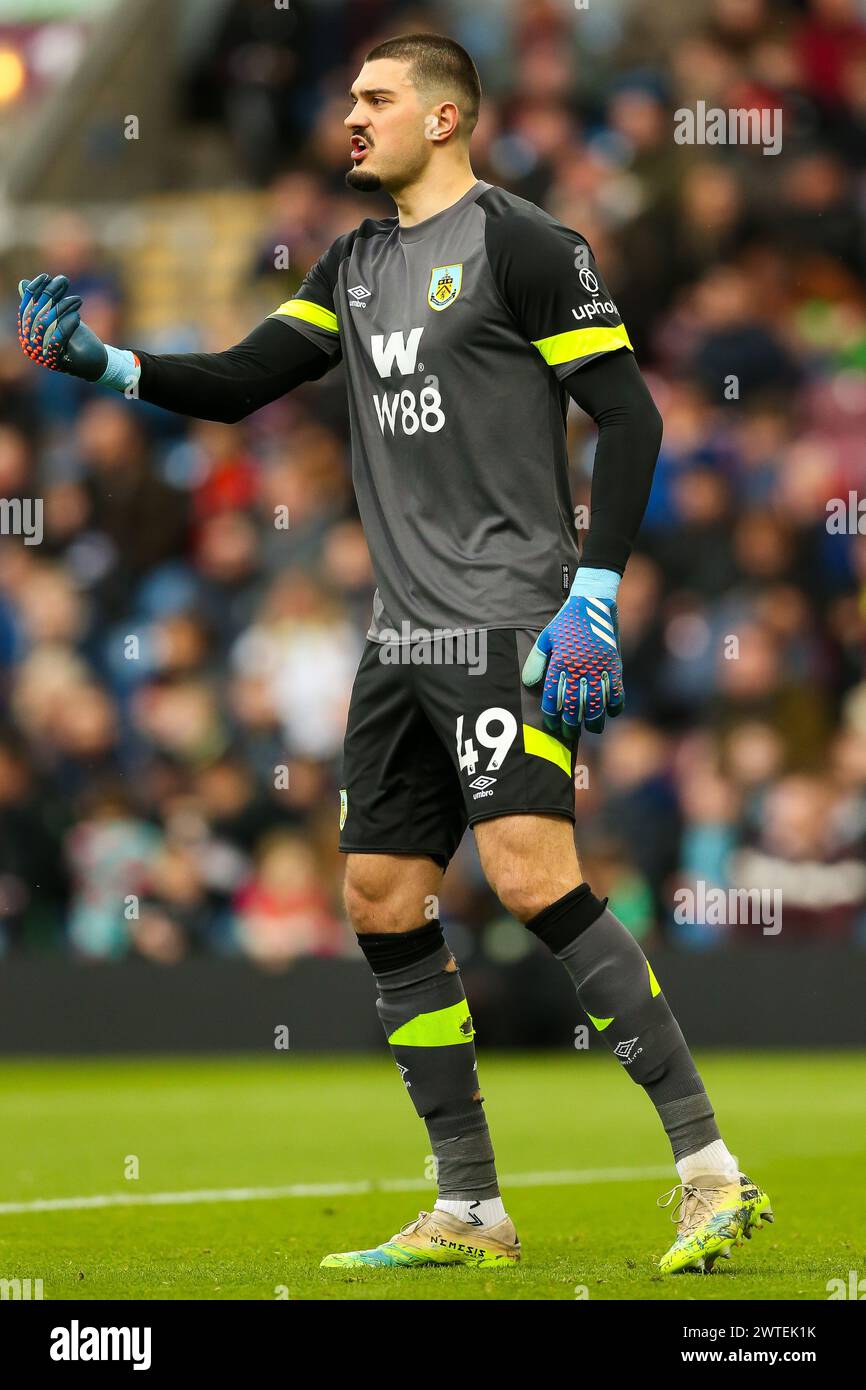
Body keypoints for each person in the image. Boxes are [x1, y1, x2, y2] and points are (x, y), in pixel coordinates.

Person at [16, 31, 772, 1276]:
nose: (348, 116)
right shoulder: (355, 260)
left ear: (443, 117)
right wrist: (106, 361)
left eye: (373, 98)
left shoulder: (525, 245)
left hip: (507, 623)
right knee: (376, 895)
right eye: (349, 97)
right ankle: (469, 1204)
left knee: (530, 876)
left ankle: (708, 1171)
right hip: (398, 636)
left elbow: (629, 416)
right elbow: (243, 379)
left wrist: (591, 591)